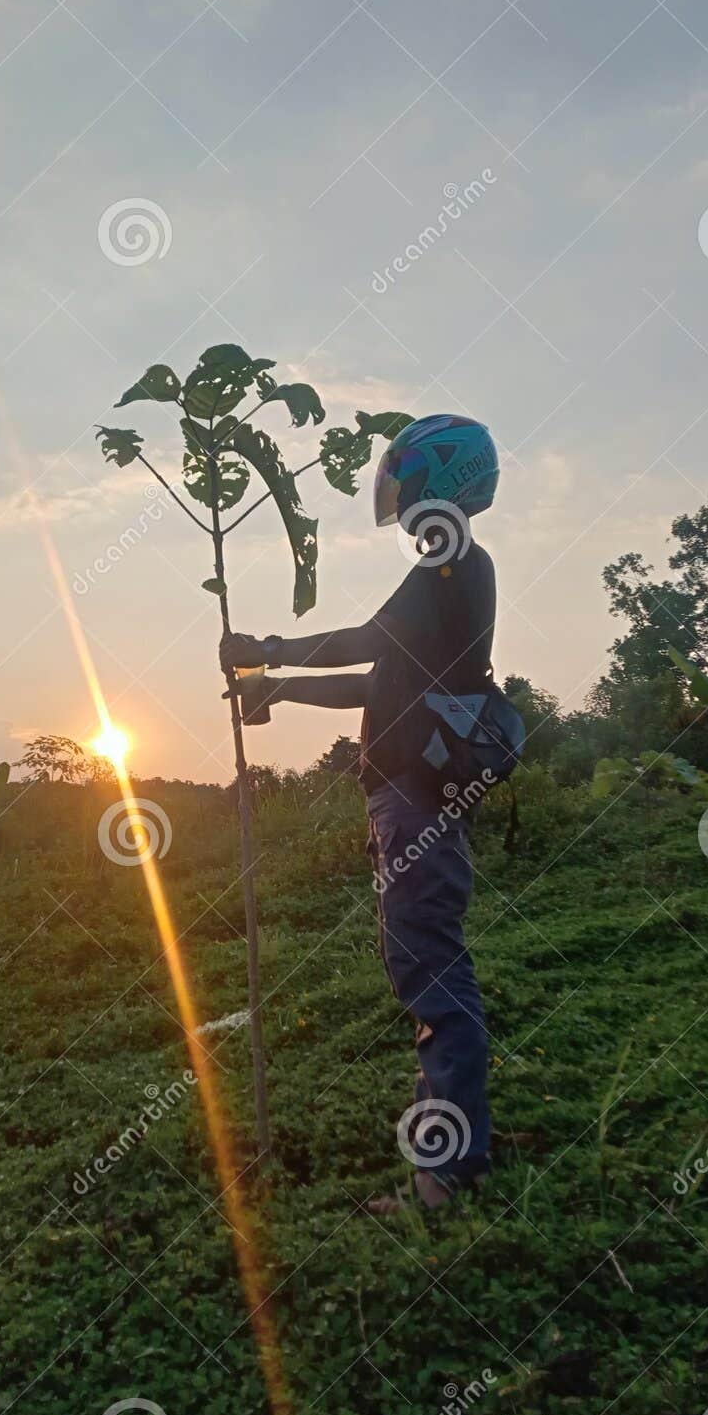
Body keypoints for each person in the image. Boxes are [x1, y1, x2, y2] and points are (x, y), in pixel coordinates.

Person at [220, 414, 500, 1211]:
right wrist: (279, 687)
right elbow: (376, 681)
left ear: (437, 479)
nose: (396, 494)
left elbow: (369, 642)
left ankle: (445, 1174)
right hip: (409, 799)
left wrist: (267, 646)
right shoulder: (447, 575)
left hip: (418, 800)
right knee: (429, 971)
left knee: (433, 975)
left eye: (403, 476)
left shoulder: (450, 565)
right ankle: (454, 1155)